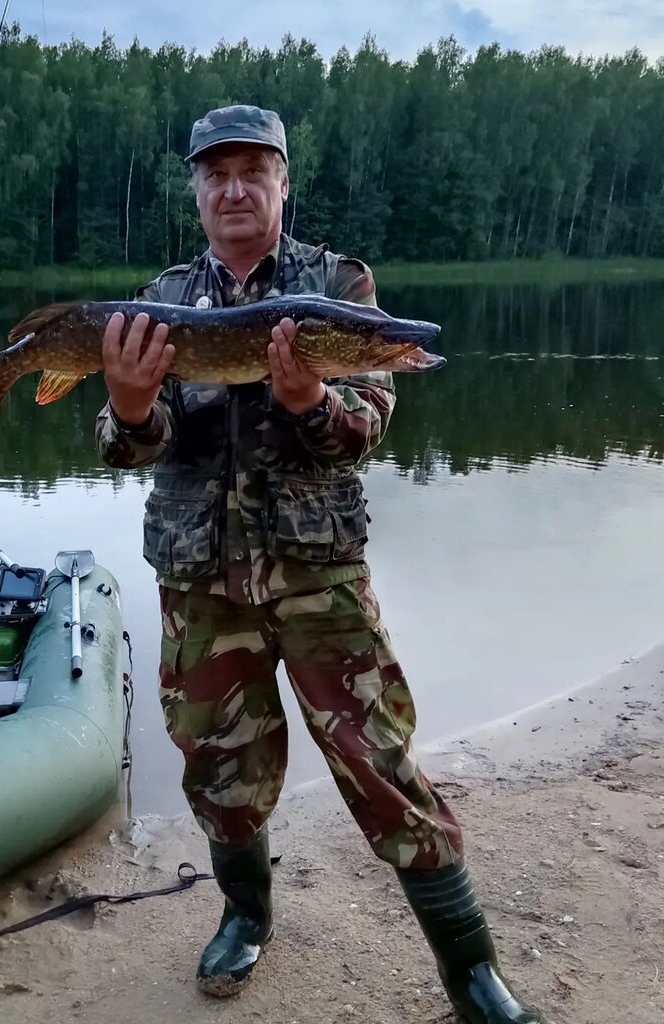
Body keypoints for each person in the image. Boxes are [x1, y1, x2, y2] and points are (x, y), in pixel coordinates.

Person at [94, 104, 543, 1024]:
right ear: (196, 191)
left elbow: (366, 427)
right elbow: (128, 446)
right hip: (201, 581)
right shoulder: (165, 295)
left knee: (380, 759)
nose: (233, 189)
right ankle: (245, 917)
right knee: (220, 764)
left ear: (282, 184)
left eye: (253, 171)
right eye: (215, 174)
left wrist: (308, 400)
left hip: (316, 575)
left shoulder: (337, 283)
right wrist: (132, 406)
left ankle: (473, 974)